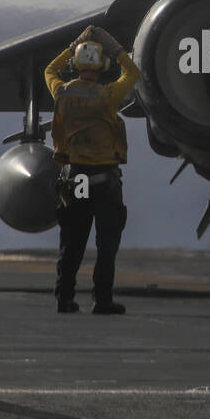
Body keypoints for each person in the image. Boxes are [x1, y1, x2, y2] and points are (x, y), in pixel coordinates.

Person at [44, 26, 139, 314]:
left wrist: (74, 45)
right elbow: (132, 72)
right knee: (106, 243)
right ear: (102, 66)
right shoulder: (109, 95)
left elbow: (50, 69)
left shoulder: (61, 91)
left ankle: (64, 297)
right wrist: (113, 45)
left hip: (76, 178)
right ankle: (102, 299)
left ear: (75, 65)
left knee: (72, 242)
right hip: (105, 180)